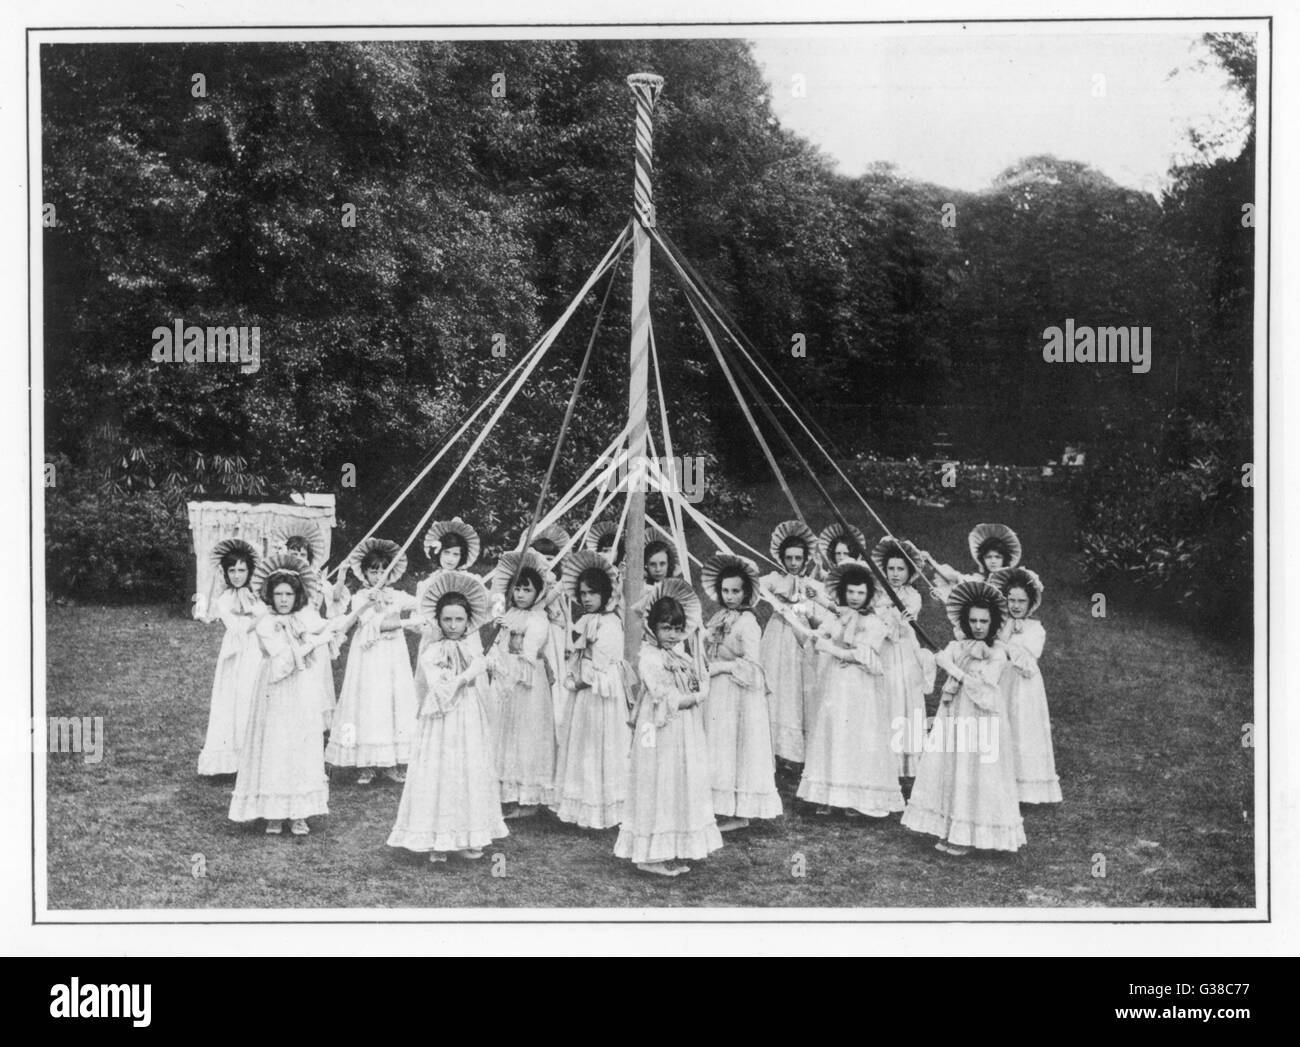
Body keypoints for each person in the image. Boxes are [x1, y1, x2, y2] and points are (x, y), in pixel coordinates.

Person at [228, 553, 357, 835]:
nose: (283, 599)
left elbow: (331, 626)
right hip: (274, 690)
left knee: (300, 742)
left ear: (297, 595)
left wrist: (358, 612)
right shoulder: (265, 623)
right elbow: (282, 662)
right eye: (278, 594)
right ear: (270, 596)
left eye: (288, 593)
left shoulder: (305, 616)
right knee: (275, 742)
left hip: (301, 689)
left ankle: (298, 812)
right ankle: (273, 813)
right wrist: (313, 643)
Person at [388, 570, 507, 863]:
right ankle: (436, 838)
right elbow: (442, 688)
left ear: (469, 621)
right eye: (447, 620)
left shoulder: (471, 647)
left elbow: (496, 677)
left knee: (467, 770)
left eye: (459, 620)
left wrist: (491, 660)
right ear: (438, 621)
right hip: (442, 719)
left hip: (467, 716)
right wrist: (470, 672)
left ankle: (467, 835)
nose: (453, 625)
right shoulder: (432, 650)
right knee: (440, 771)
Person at [901, 581, 1025, 855]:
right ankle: (951, 829)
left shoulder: (998, 652)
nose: (978, 626)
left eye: (983, 621)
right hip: (956, 713)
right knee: (953, 767)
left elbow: (983, 687)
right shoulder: (958, 646)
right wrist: (911, 629)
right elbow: (933, 658)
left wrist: (952, 670)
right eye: (973, 620)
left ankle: (970, 835)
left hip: (982, 717)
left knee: (975, 770)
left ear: (993, 622)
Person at [614, 580, 723, 877]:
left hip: (679, 729)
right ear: (652, 628)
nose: (672, 634)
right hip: (656, 726)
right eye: (666, 628)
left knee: (675, 777)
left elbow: (695, 679)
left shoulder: (682, 654)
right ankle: (649, 853)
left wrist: (699, 679)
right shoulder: (649, 657)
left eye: (677, 628)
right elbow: (665, 694)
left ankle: (670, 845)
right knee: (654, 774)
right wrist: (695, 698)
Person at [793, 562, 905, 818]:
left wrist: (832, 649)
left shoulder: (874, 622)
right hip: (835, 683)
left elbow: (863, 655)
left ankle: (857, 796)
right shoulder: (838, 616)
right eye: (851, 592)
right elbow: (819, 633)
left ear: (868, 595)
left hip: (860, 686)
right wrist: (800, 621)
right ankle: (830, 795)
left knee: (856, 734)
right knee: (833, 731)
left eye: (860, 593)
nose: (855, 598)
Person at [324, 539, 418, 785]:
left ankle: (392, 762)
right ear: (364, 572)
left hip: (393, 656)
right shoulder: (360, 598)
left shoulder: (397, 596)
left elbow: (422, 602)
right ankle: (364, 763)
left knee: (393, 701)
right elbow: (371, 622)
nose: (378, 575)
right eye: (373, 570)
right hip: (369, 657)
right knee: (367, 702)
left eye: (383, 570)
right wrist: (370, 602)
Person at [550, 551, 633, 829]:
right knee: (583, 747)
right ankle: (583, 806)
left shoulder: (609, 624)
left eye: (592, 593)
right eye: (583, 593)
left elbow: (600, 667)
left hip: (600, 695)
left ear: (605, 594)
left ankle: (603, 809)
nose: (586, 598)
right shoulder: (587, 621)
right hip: (585, 695)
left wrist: (578, 681)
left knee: (601, 747)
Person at [700, 554, 782, 832]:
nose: (730, 596)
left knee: (736, 746)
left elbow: (752, 665)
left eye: (736, 591)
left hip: (739, 693)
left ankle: (739, 810)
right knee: (719, 745)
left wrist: (722, 666)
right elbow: (707, 650)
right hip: (719, 692)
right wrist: (705, 641)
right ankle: (719, 805)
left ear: (746, 592)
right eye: (725, 591)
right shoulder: (719, 617)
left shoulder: (748, 622)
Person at [487, 550, 558, 818]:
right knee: (505, 730)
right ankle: (505, 790)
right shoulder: (509, 613)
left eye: (527, 590)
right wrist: (501, 632)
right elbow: (499, 645)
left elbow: (529, 650)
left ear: (537, 593)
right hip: (507, 676)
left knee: (527, 732)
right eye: (517, 588)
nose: (520, 594)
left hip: (527, 680)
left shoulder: (538, 618)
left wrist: (513, 634)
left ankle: (529, 797)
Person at [990, 566, 1061, 804]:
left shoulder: (1035, 629)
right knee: (1002, 723)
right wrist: (1003, 636)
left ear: (1030, 603)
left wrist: (1006, 645)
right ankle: (1000, 781)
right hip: (1002, 680)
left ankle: (1026, 787)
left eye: (1021, 601)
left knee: (1023, 727)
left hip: (1025, 685)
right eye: (1011, 600)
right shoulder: (1000, 625)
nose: (1016, 606)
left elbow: (1027, 662)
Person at [197, 539, 266, 775]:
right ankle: (231, 759)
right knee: (233, 699)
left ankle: (254, 757)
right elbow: (237, 627)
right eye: (232, 571)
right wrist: (259, 618)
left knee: (252, 696)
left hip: (257, 649)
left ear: (250, 571)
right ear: (226, 573)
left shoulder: (257, 595)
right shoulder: (224, 599)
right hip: (237, 650)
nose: (237, 575)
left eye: (242, 570)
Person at [870, 537, 934, 779]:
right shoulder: (877, 594)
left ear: (910, 572)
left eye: (900, 569)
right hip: (882, 649)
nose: (895, 574)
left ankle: (903, 764)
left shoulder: (912, 596)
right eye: (890, 569)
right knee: (882, 695)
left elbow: (901, 625)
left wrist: (893, 615)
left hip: (903, 650)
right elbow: (878, 620)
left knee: (902, 696)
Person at [271, 522, 344, 732]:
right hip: (288, 628)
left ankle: (313, 724)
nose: (298, 557)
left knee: (314, 675)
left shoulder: (315, 579)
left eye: (302, 554)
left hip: (312, 628)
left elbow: (334, 598)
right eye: (293, 553)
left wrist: (334, 580)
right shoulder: (280, 576)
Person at [758, 520, 819, 767]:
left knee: (797, 687)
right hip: (778, 635)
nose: (793, 563)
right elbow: (755, 585)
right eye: (789, 558)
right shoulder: (775, 579)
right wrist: (777, 598)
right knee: (775, 682)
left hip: (800, 637)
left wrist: (808, 600)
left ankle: (793, 752)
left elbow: (822, 610)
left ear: (806, 560)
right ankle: (771, 745)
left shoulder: (810, 584)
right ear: (782, 559)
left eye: (798, 558)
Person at [920, 523, 1022, 606]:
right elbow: (954, 577)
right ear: (983, 560)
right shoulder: (978, 581)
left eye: (997, 557)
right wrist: (930, 560)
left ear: (1004, 559)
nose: (993, 561)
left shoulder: (1011, 584)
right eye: (988, 557)